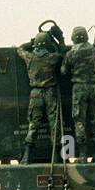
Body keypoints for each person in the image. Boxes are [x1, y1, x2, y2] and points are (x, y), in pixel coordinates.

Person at [16, 31, 63, 164]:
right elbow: (62, 53)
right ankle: (57, 157)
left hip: (35, 93)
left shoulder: (29, 57)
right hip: (50, 93)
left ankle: (26, 156)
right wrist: (56, 41)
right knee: (54, 124)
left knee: (33, 125)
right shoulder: (52, 57)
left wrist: (31, 43)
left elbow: (20, 49)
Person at [62, 26, 95, 163]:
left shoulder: (71, 54)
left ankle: (82, 155)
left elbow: (63, 71)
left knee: (79, 121)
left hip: (79, 89)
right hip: (94, 88)